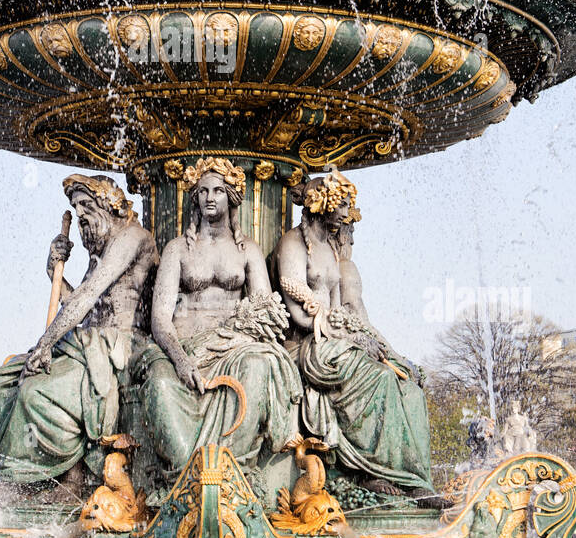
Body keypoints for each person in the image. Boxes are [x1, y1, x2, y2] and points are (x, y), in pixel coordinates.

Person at [273, 170, 439, 503]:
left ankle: (414, 478)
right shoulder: (293, 243)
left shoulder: (330, 250)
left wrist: (383, 349)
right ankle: (373, 473)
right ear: (325, 203)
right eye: (344, 204)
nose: (349, 212)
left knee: (404, 385)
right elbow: (301, 313)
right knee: (378, 379)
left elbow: (344, 313)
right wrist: (348, 337)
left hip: (334, 340)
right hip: (308, 345)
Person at [0, 176, 158, 491]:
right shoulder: (100, 251)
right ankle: (28, 477)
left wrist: (46, 343)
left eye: (86, 206)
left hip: (118, 345)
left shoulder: (133, 238)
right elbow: (83, 305)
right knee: (2, 381)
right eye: (76, 208)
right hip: (86, 342)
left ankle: (66, 478)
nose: (80, 216)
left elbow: (87, 296)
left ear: (109, 205)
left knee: (34, 392)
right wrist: (54, 270)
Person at [137, 157, 301, 474]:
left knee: (261, 363)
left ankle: (232, 471)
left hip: (234, 348)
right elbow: (159, 319)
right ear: (195, 198)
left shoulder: (248, 251)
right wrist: (179, 359)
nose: (210, 198)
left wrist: (241, 335)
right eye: (202, 192)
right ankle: (184, 472)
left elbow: (268, 312)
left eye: (218, 191)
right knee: (158, 381)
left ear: (231, 196)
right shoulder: (177, 249)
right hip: (182, 347)